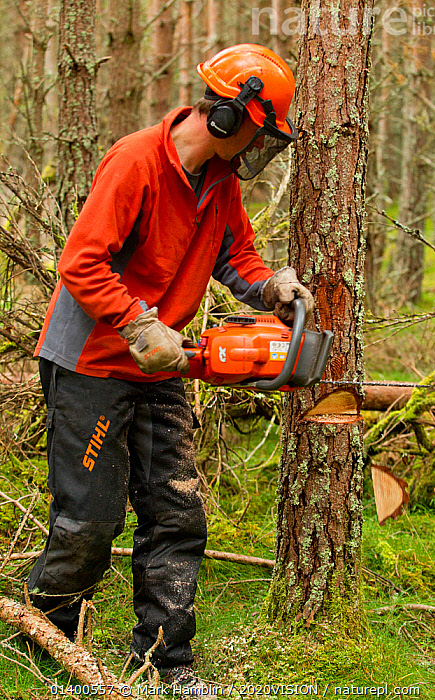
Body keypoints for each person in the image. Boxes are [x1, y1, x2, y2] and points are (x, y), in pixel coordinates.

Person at [27, 44, 313, 693]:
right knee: (91, 518)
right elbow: (81, 262)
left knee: (178, 514)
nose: (256, 149)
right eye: (257, 133)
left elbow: (235, 255)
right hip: (91, 364)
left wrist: (273, 290)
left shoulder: (218, 182)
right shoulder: (136, 162)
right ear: (228, 115)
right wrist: (134, 321)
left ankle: (164, 660)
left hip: (160, 367)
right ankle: (49, 636)